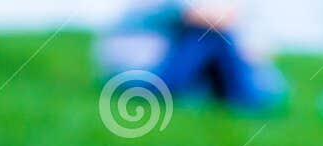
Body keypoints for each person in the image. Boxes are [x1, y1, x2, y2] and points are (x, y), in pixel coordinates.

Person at [98, 3, 285, 112]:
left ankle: (251, 93)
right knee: (211, 35)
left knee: (213, 37)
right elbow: (208, 17)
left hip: (140, 75)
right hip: (142, 77)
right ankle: (249, 95)